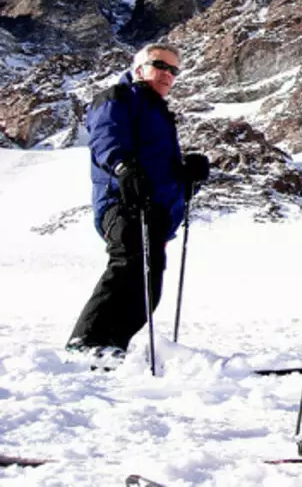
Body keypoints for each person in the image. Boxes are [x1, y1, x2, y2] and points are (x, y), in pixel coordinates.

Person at [67, 43, 210, 366]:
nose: (167, 74)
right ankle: (85, 341)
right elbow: (107, 137)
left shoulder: (158, 112)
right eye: (160, 65)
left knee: (149, 282)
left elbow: (159, 168)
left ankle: (112, 346)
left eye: (173, 70)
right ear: (139, 67)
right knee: (129, 264)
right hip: (123, 201)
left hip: (155, 210)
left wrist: (187, 176)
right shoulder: (120, 97)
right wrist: (123, 167)